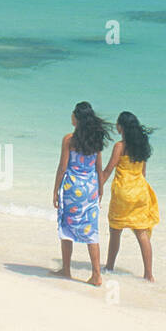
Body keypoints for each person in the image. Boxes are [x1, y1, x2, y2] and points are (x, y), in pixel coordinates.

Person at [50, 101, 112, 286]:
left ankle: (66, 270)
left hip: (72, 188)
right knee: (91, 231)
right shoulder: (96, 140)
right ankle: (96, 275)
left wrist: (55, 190)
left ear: (77, 118)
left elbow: (63, 167)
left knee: (66, 228)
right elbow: (98, 167)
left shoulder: (69, 139)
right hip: (90, 188)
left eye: (73, 114)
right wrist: (100, 189)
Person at [101, 111, 160, 281]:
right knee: (142, 233)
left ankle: (109, 267)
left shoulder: (120, 146)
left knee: (115, 231)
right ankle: (148, 274)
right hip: (140, 191)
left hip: (123, 192)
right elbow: (143, 172)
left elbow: (108, 169)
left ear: (121, 127)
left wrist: (98, 188)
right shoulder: (142, 145)